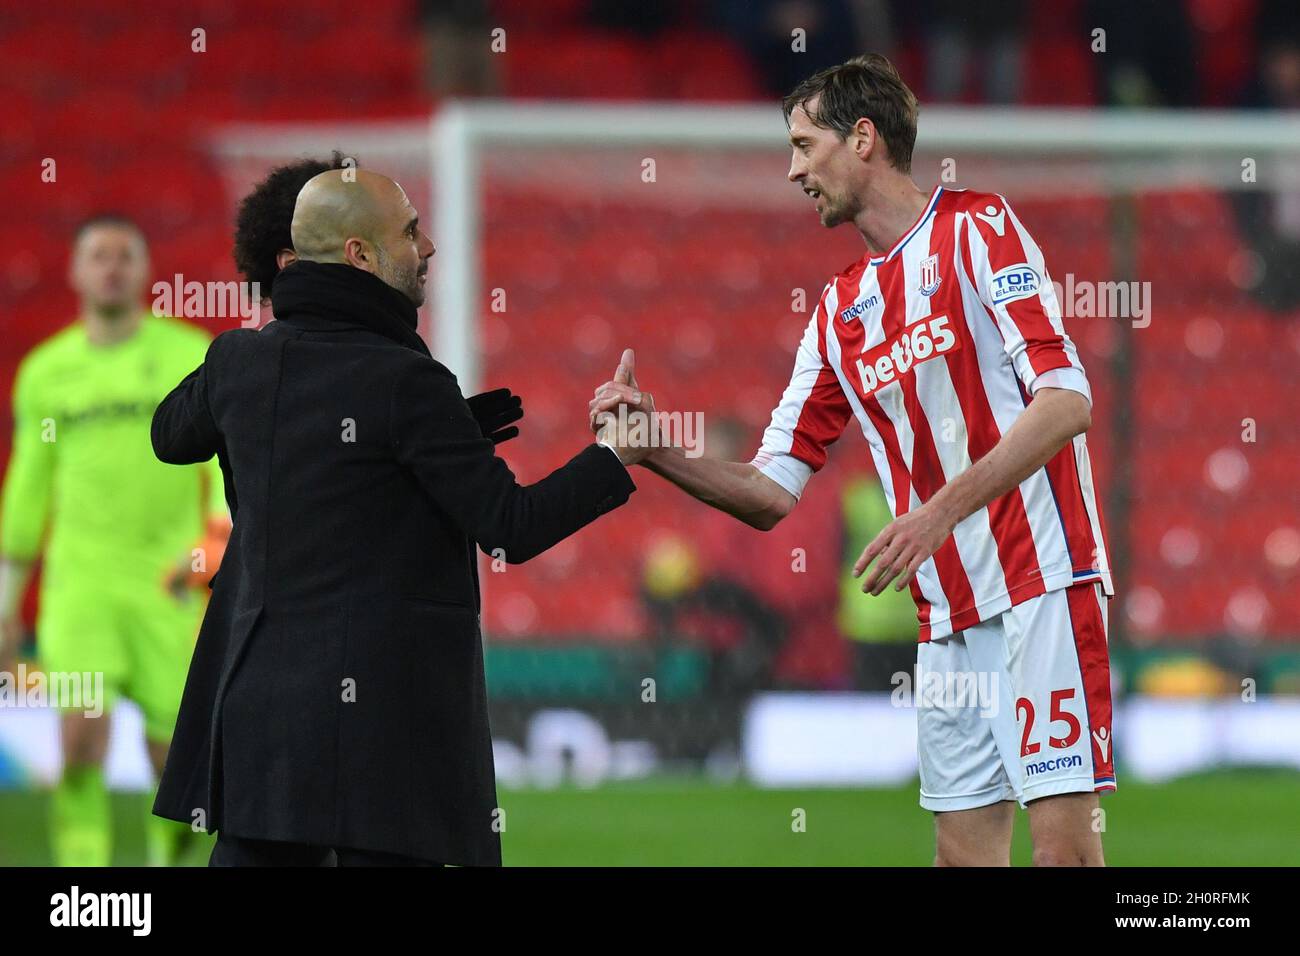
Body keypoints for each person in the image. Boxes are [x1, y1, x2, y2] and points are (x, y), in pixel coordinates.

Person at [591, 54, 1115, 866]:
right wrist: (653, 449)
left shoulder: (978, 230)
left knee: (1064, 859)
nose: (794, 169)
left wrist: (938, 511)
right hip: (948, 620)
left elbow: (1067, 401)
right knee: (961, 859)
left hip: (1041, 583)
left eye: (805, 144)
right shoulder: (840, 312)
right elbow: (769, 491)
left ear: (862, 138)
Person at [150, 168, 646, 866]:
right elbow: (513, 525)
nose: (431, 246)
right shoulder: (408, 380)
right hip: (383, 722)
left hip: (262, 711)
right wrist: (615, 455)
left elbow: (171, 435)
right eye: (411, 231)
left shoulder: (240, 361)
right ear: (360, 256)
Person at [0, 215, 225, 866]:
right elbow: (27, 491)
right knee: (80, 740)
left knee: (175, 764)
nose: (111, 267)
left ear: (145, 270)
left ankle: (166, 866)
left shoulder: (189, 355)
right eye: (97, 255)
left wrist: (216, 538)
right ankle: (85, 890)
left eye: (124, 255)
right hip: (81, 586)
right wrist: (8, 604)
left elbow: (219, 462)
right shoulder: (48, 372)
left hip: (170, 586)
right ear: (75, 272)